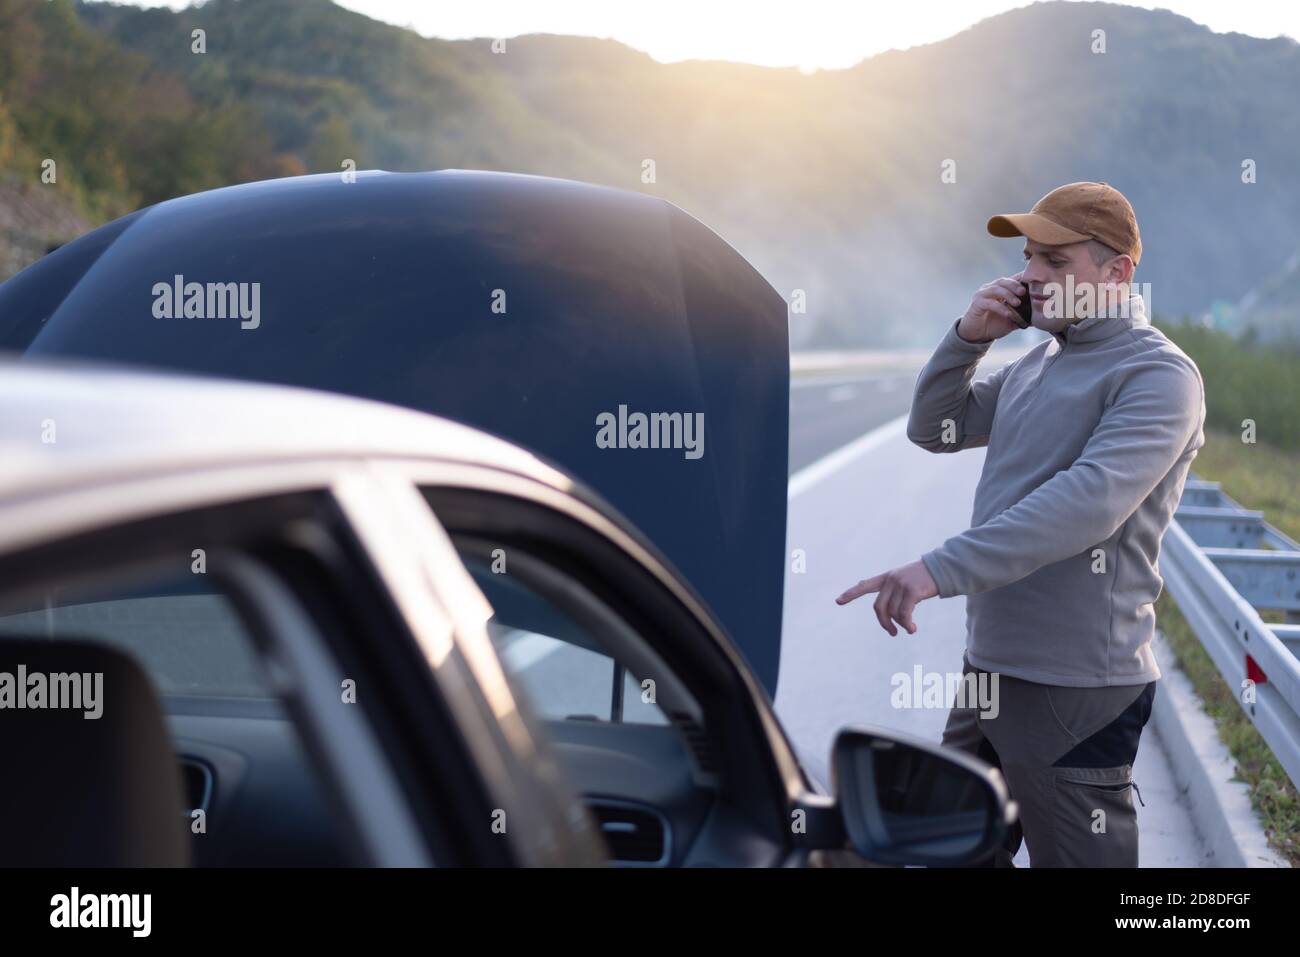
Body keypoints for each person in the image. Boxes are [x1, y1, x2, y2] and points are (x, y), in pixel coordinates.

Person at [834, 181, 1206, 866]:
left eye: (1055, 262)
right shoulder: (1036, 363)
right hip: (990, 671)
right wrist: (965, 339)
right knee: (951, 853)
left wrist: (937, 568)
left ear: (1117, 271)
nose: (1030, 274)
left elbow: (1087, 503)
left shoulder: (1157, 375)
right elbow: (934, 428)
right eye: (1030, 257)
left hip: (1074, 690)